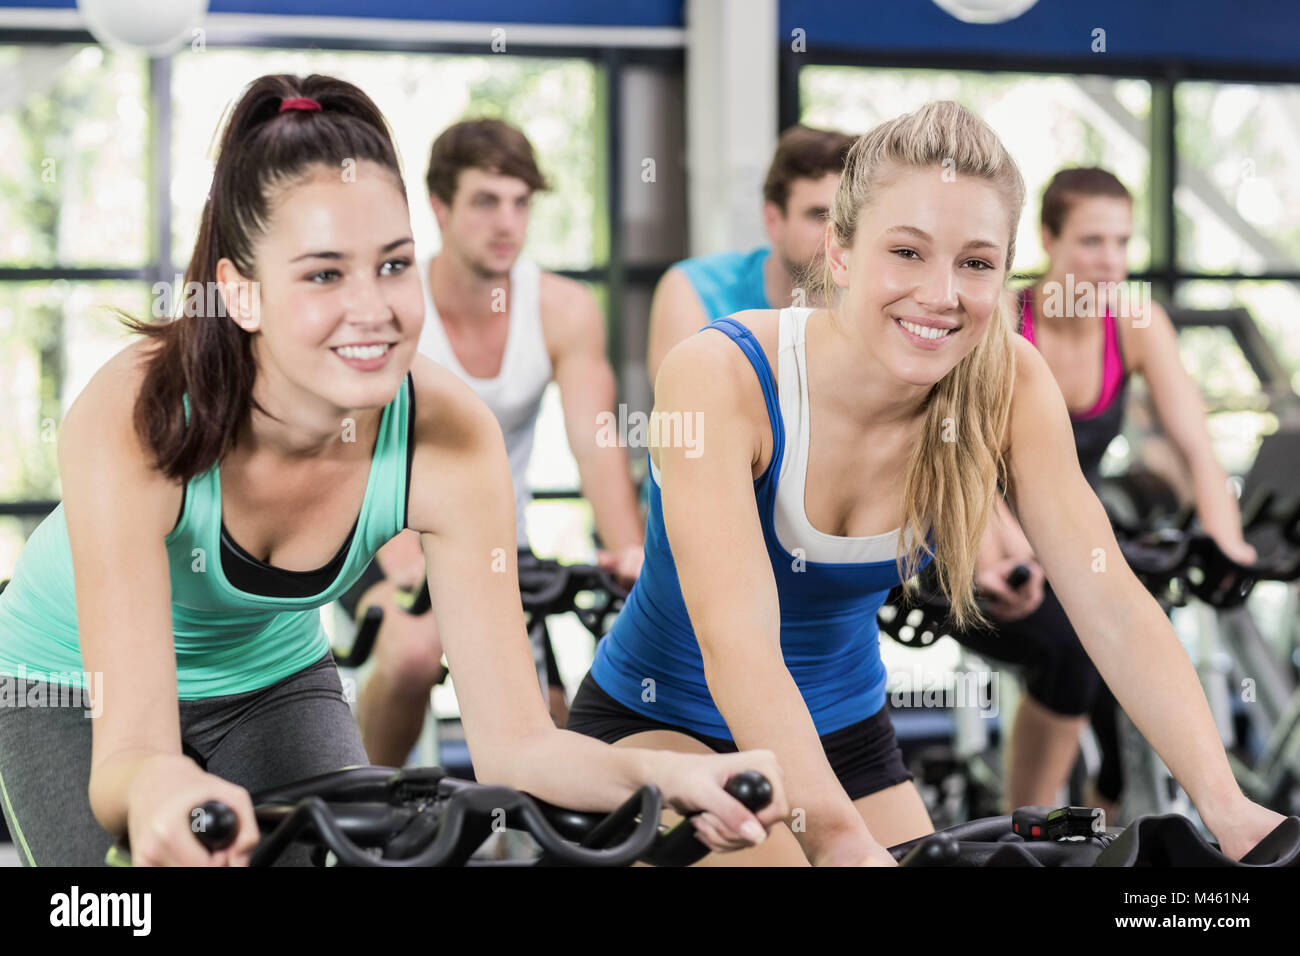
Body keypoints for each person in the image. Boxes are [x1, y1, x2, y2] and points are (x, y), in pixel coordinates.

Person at [0, 74, 785, 867]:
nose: (373, 309)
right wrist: (161, 790)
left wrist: (666, 775)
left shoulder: (447, 436)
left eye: (394, 264)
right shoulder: (138, 409)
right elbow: (131, 751)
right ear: (240, 294)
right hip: (66, 687)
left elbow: (517, 747)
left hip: (270, 678)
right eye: (323, 273)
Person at [565, 100, 1285, 866]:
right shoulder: (724, 373)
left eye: (975, 262)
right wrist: (837, 839)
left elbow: (1108, 602)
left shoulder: (1009, 381)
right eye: (907, 252)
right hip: (672, 726)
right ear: (839, 252)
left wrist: (1227, 806)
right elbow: (736, 642)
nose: (942, 293)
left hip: (847, 735)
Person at [952, 167, 1257, 817]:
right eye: (1092, 241)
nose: (1110, 260)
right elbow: (968, 462)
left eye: (1122, 242)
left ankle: (1111, 823)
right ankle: (1025, 833)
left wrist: (1229, 545)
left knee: (1140, 654)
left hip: (1072, 536)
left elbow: (1196, 447)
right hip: (979, 531)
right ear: (1047, 238)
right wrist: (1006, 553)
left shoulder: (1136, 325)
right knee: (1075, 651)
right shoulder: (1002, 319)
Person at [350, 119, 647, 763]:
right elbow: (363, 448)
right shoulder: (396, 305)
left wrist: (628, 553)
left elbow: (596, 444)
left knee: (555, 718)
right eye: (486, 201)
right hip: (377, 533)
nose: (507, 223)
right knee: (414, 654)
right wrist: (415, 568)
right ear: (439, 207)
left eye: (521, 202)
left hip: (494, 544)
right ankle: (357, 826)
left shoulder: (562, 309)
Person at [646, 124, 854, 383]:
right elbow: (692, 411)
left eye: (847, 218)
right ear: (773, 220)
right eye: (817, 215)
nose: (835, 235)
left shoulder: (877, 299)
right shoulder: (696, 287)